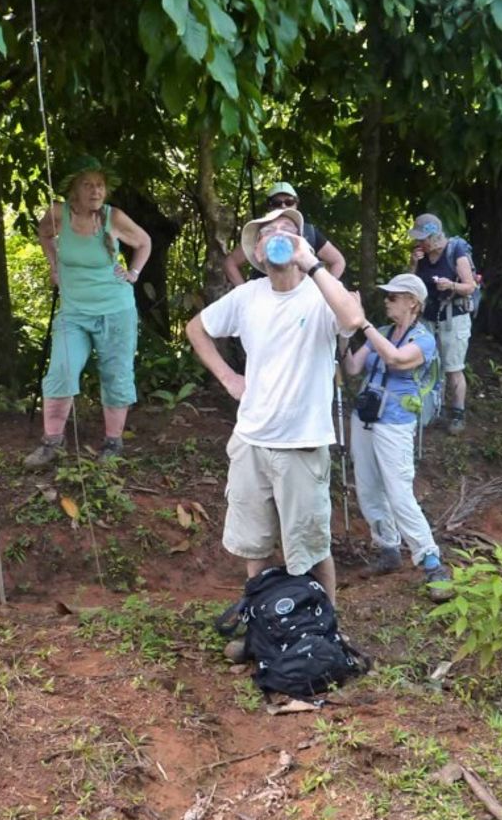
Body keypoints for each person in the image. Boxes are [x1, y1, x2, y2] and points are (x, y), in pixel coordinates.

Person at [186, 207, 363, 609]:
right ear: (258, 254)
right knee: (255, 546)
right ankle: (263, 626)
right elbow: (196, 328)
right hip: (251, 440)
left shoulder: (321, 294)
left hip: (302, 442)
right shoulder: (248, 296)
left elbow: (353, 319)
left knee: (312, 549)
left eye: (288, 230)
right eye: (267, 233)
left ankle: (327, 629)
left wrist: (313, 264)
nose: (279, 235)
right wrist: (230, 378)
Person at [24, 155, 152, 468]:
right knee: (61, 370)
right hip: (74, 311)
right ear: (74, 191)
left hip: (116, 309)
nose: (96, 191)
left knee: (116, 373)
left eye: (100, 186)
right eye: (88, 185)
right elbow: (43, 234)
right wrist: (53, 265)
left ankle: (113, 443)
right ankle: (52, 442)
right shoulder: (58, 214)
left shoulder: (113, 217)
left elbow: (145, 242)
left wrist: (133, 274)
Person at [342, 273, 452, 601]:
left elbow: (396, 359)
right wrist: (344, 331)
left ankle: (431, 561)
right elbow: (351, 367)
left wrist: (362, 325)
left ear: (412, 302)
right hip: (365, 417)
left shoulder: (424, 339)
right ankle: (388, 549)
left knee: (399, 492)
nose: (387, 301)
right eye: (387, 296)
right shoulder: (385, 331)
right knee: (368, 487)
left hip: (395, 422)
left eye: (393, 296)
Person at [408, 213, 476, 434]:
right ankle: (431, 410)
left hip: (453, 317)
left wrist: (451, 286)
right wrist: (413, 264)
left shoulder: (456, 251)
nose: (420, 243)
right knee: (427, 364)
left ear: (435, 237)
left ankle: (457, 413)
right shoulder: (422, 257)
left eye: (423, 239)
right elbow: (411, 285)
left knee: (453, 367)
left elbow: (470, 286)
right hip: (428, 317)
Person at [222, 182, 345, 287]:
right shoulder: (260, 232)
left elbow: (338, 261)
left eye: (289, 201)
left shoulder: (309, 232)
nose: (283, 206)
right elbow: (230, 263)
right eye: (276, 202)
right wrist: (244, 293)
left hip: (300, 301)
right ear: (269, 206)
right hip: (264, 301)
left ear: (296, 204)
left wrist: (323, 290)